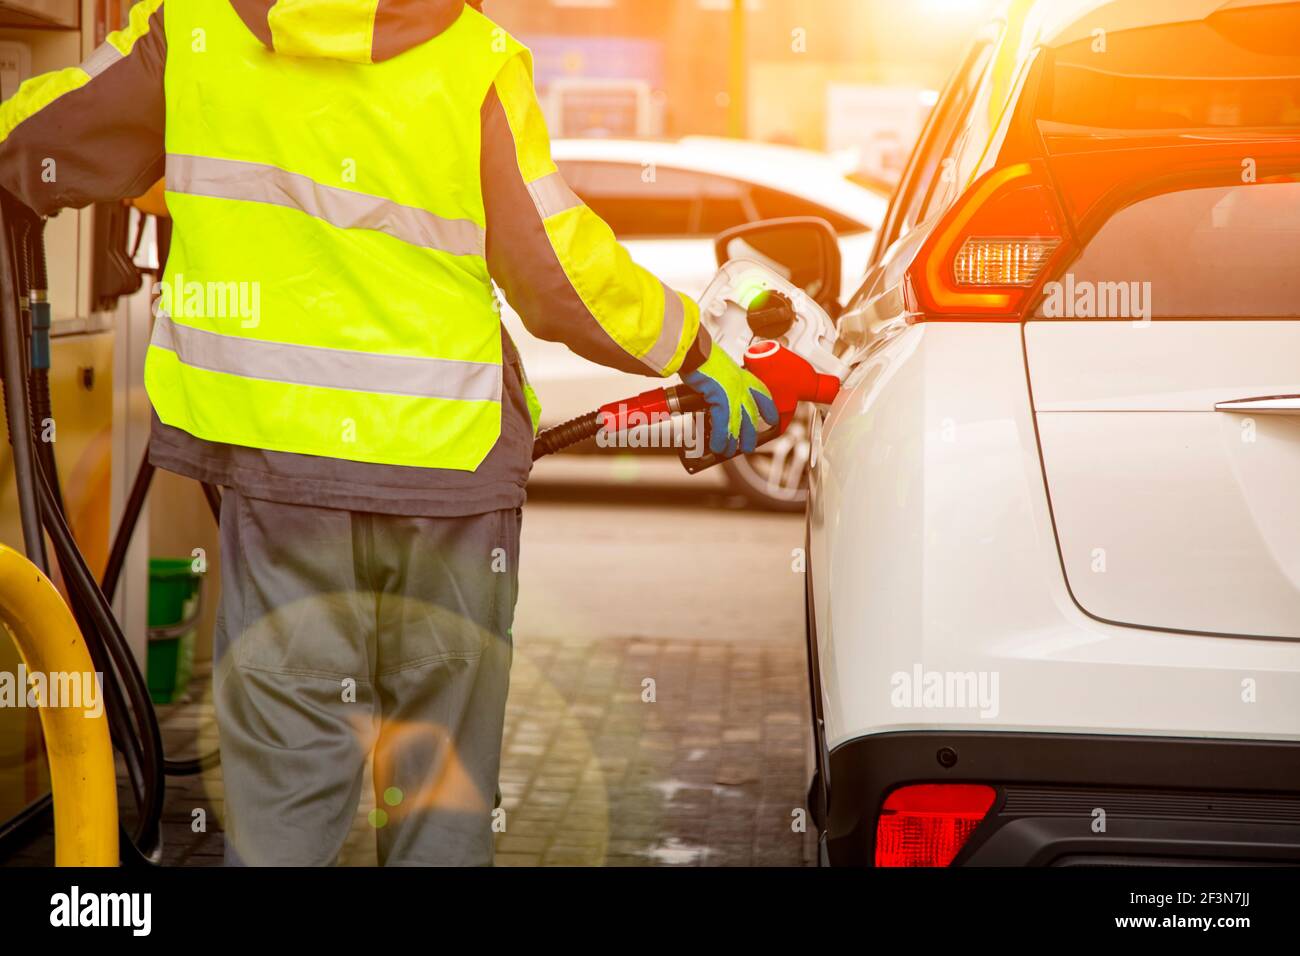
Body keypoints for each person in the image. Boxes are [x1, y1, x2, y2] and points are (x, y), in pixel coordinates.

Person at [0, 0, 776, 865]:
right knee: (437, 784)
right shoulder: (476, 58)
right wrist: (693, 348)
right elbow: (557, 271)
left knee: (287, 782)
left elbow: (36, 139)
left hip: (282, 477)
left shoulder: (193, 30)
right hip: (449, 481)